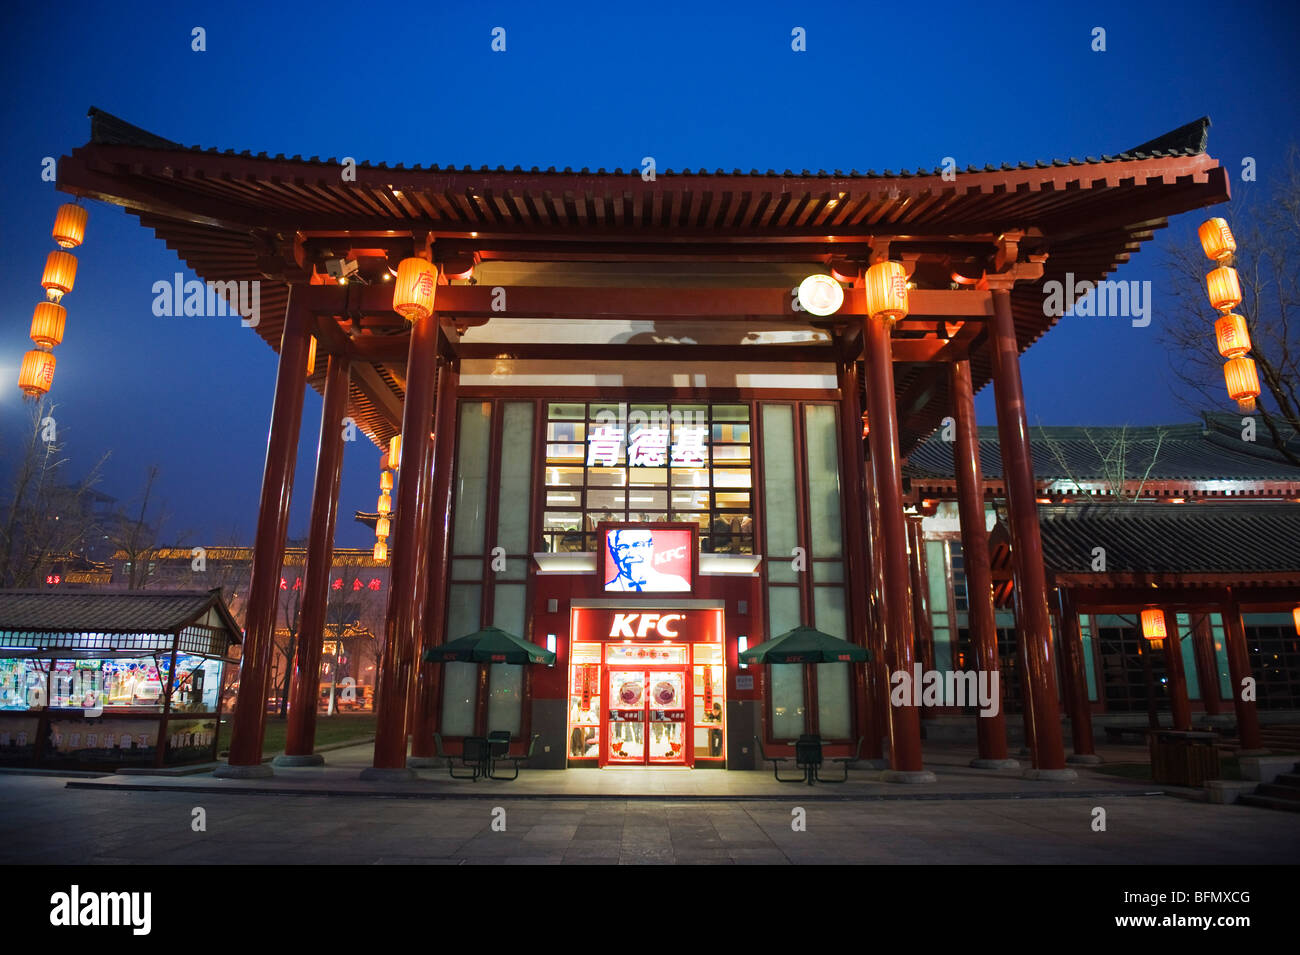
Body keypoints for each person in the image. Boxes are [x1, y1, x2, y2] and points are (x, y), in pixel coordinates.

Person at [604, 528, 690, 592]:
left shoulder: (678, 585)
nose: (631, 553)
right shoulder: (608, 588)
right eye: (623, 547)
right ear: (614, 554)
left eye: (638, 545)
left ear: (650, 548)